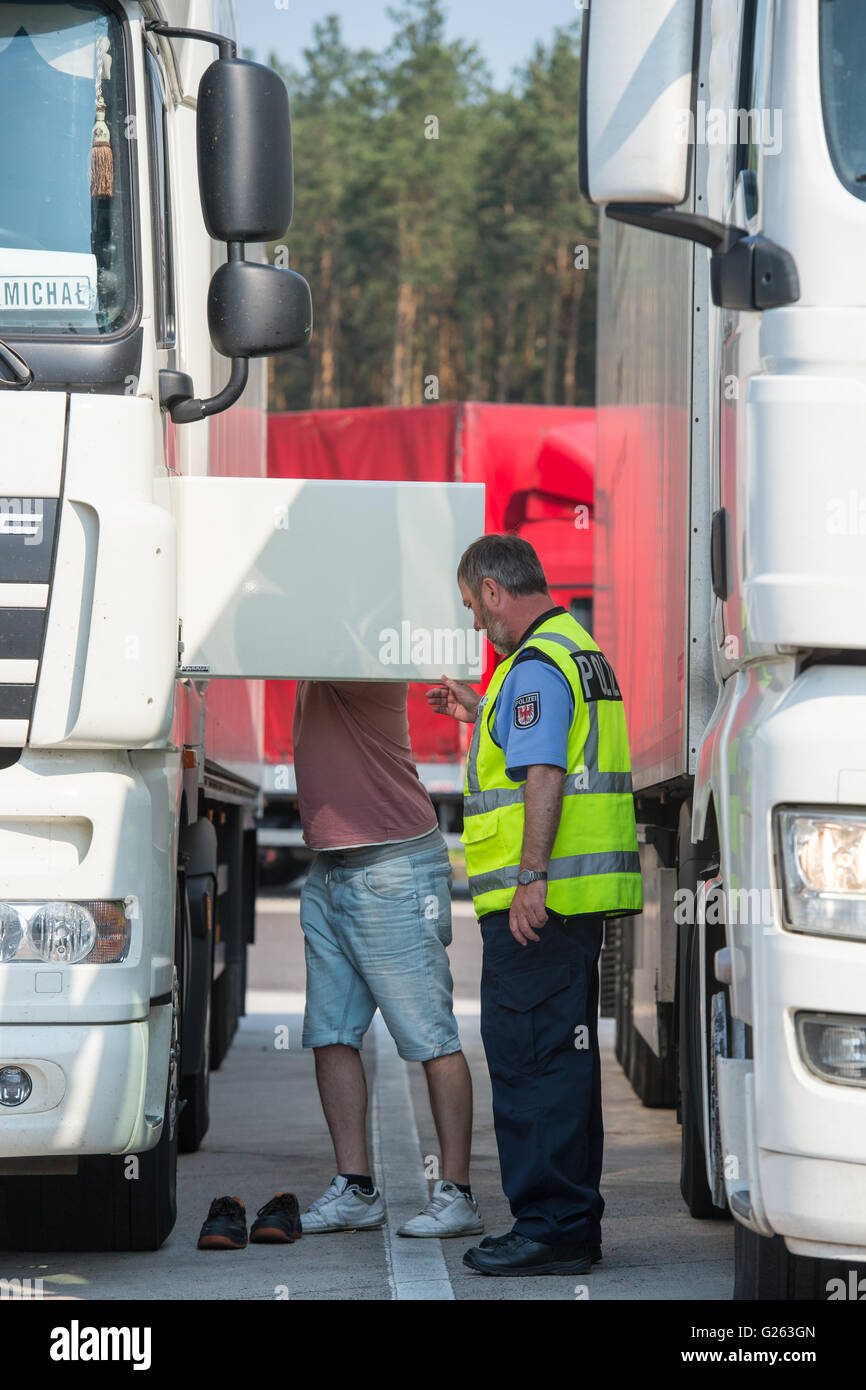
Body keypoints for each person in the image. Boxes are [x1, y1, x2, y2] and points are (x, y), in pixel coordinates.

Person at [427, 534, 642, 1276]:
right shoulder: (575, 648)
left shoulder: (536, 665)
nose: (476, 624)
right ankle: (570, 1222)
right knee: (566, 1062)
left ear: (494, 590)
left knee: (533, 1062)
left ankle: (549, 1226)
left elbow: (545, 769)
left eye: (472, 606)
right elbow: (552, 736)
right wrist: (481, 708)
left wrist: (529, 878)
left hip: (538, 909)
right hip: (574, 904)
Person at [265, 679, 483, 1240]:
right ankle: (356, 1190)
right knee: (330, 1033)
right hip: (331, 866)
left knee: (432, 1038)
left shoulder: (354, 651)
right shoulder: (318, 652)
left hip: (393, 867)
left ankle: (456, 1194)